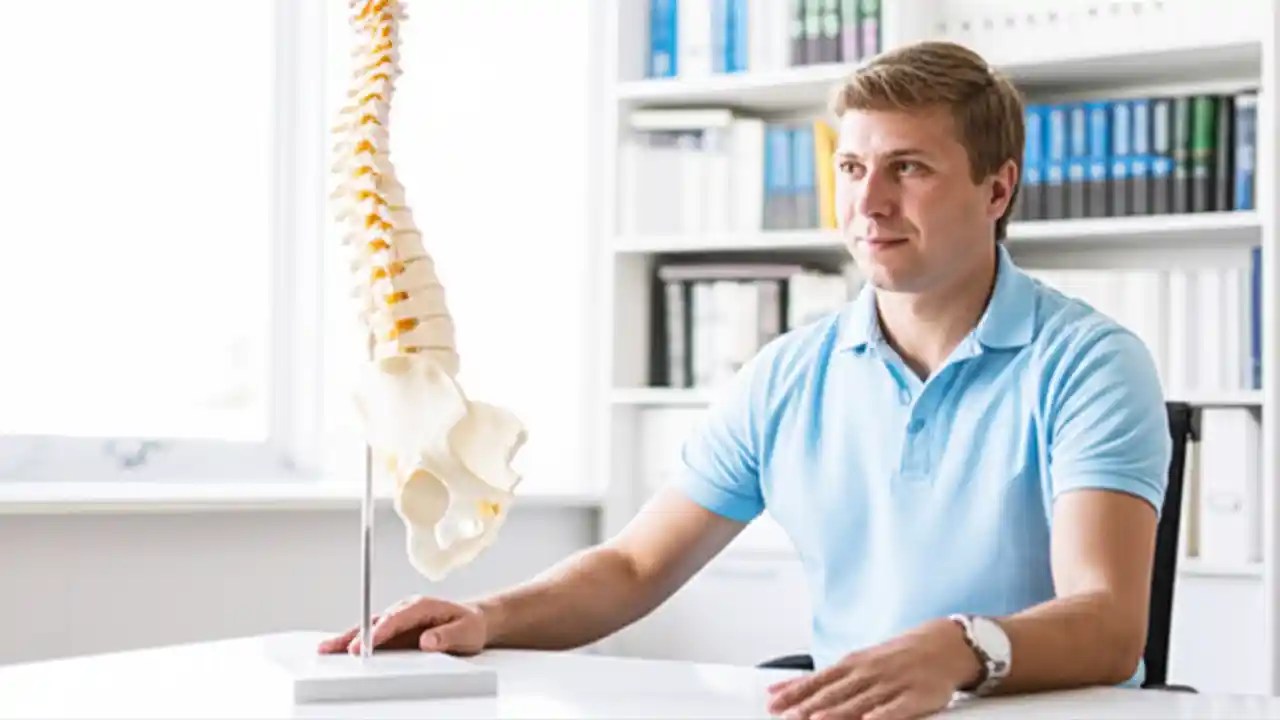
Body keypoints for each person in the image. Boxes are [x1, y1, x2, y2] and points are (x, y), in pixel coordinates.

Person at [320, 40, 1171, 720]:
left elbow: (1108, 623)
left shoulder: (1090, 363)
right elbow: (635, 566)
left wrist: (958, 648)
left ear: (999, 188)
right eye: (850, 167)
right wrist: (488, 616)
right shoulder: (790, 374)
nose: (867, 202)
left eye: (908, 168)